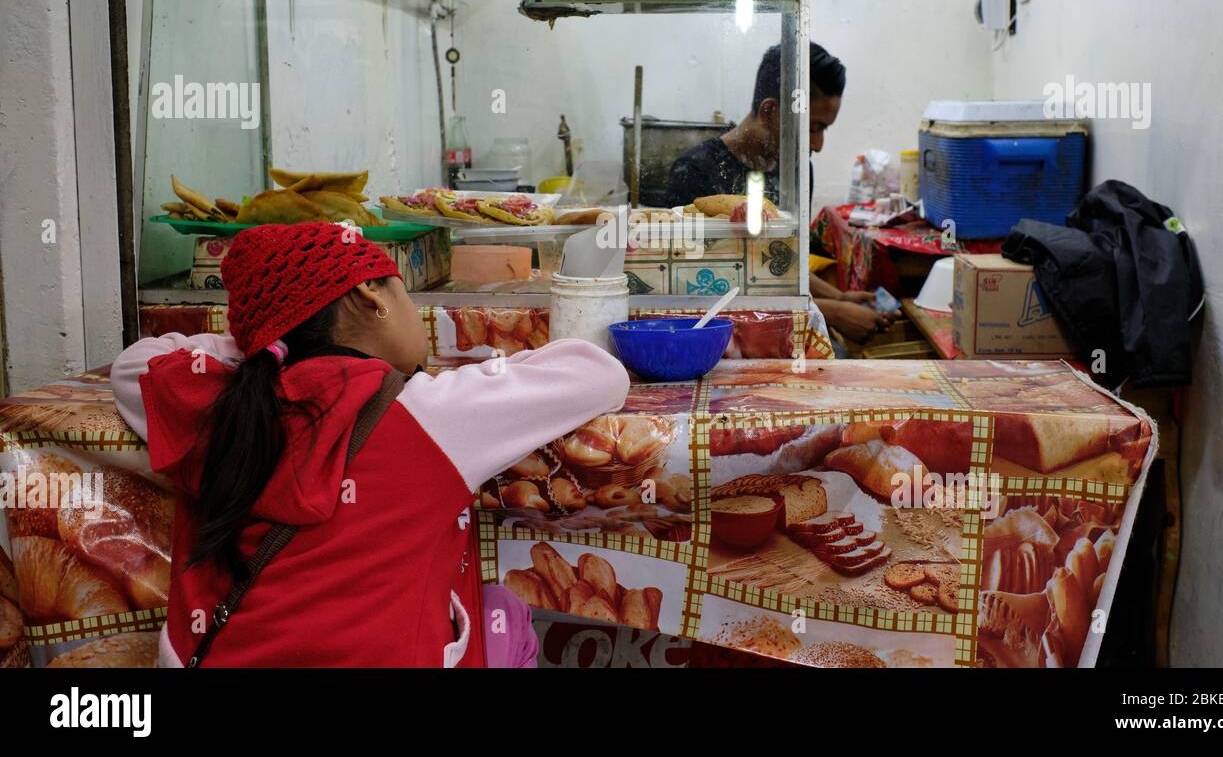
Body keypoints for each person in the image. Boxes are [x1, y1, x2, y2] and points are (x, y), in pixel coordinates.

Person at [110, 222, 629, 667]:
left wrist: (265, 346)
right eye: (405, 292)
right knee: (506, 613)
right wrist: (489, 375)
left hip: (209, 654)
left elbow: (134, 362)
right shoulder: (432, 413)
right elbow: (599, 373)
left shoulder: (208, 403)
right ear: (371, 296)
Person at [665, 42, 896, 343]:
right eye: (814, 128)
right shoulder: (696, 173)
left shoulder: (797, 170)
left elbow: (778, 259)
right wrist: (830, 312)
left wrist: (840, 297)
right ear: (770, 111)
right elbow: (699, 294)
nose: (818, 144)